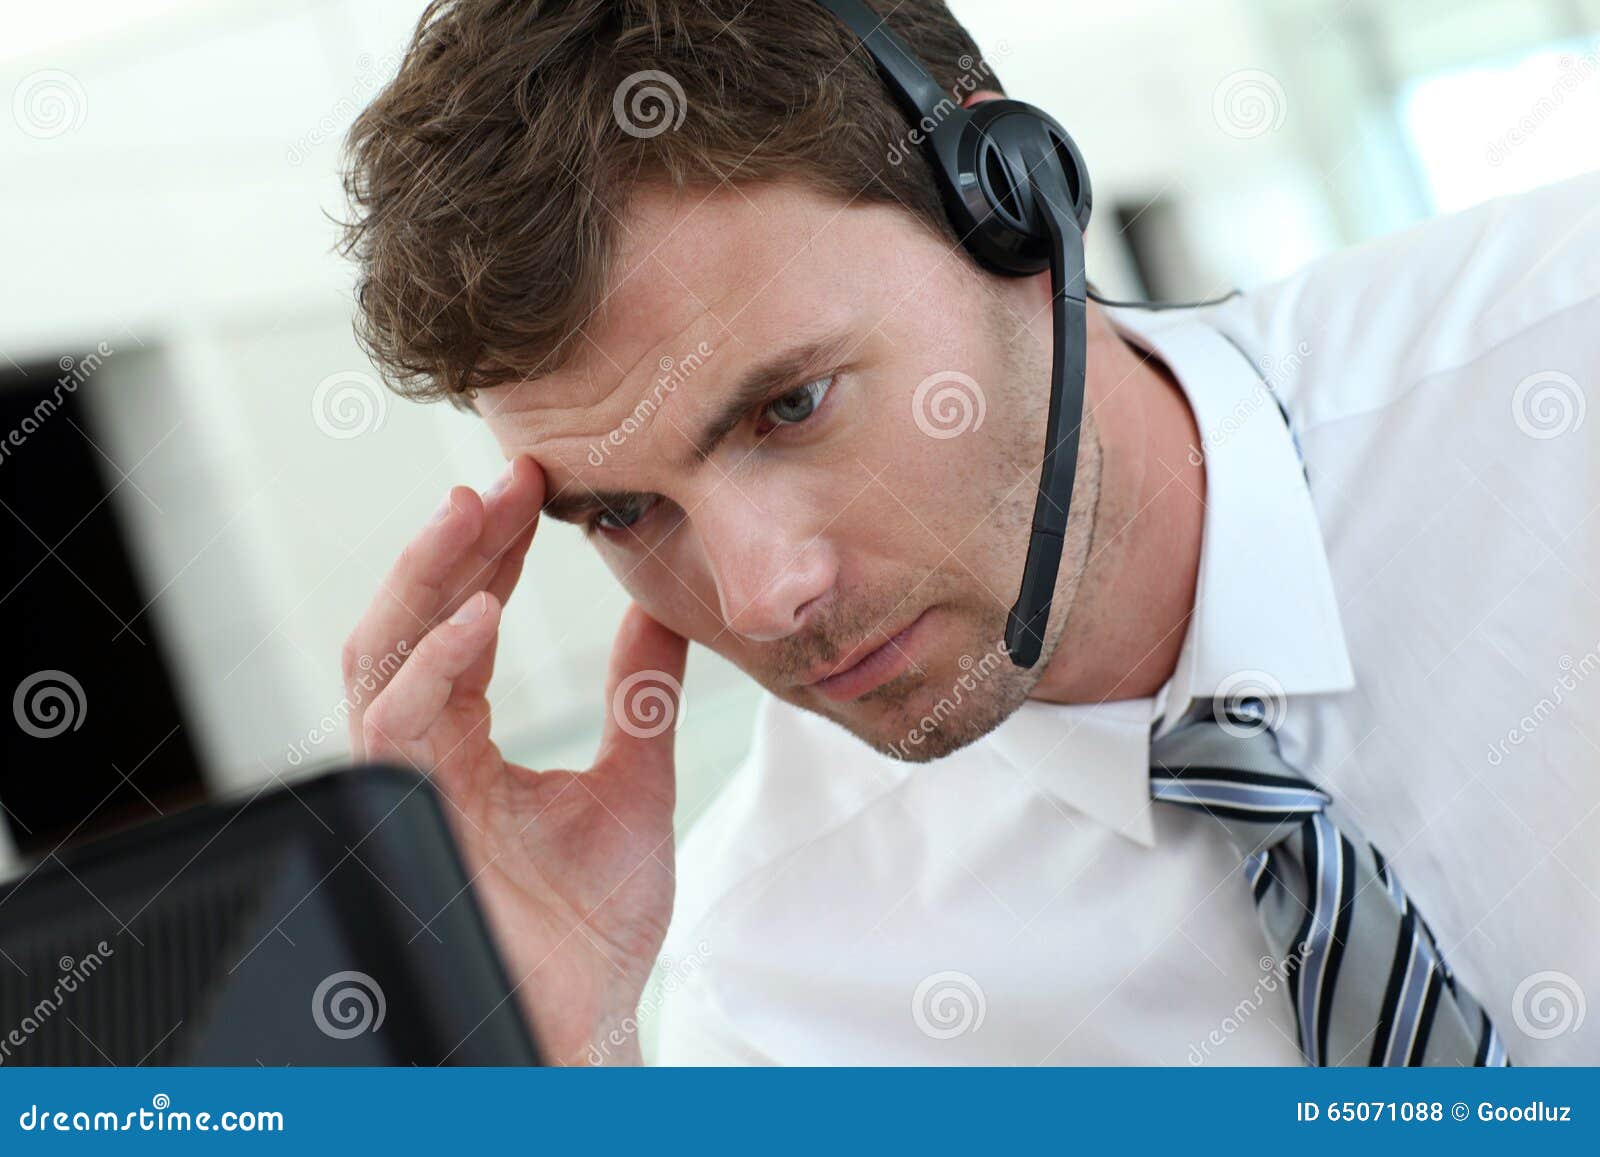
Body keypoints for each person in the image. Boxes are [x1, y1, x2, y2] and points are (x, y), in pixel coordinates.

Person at [336, 0, 1600, 1065]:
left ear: (1018, 204)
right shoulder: (778, 989)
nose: (764, 594)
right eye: (622, 512)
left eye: (792, 404)